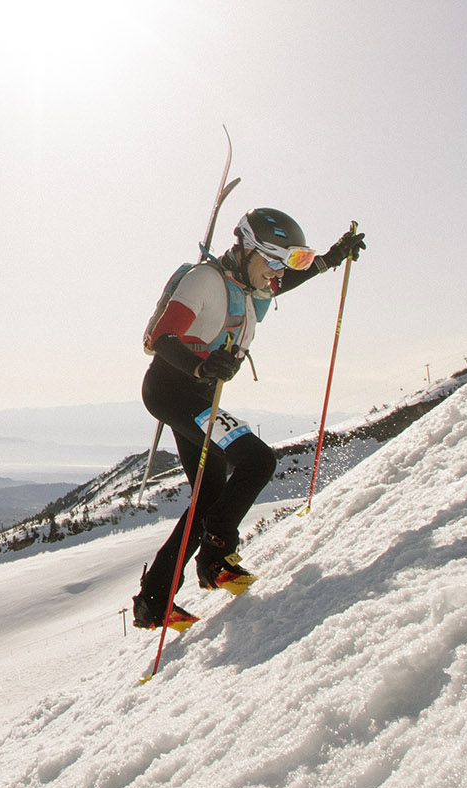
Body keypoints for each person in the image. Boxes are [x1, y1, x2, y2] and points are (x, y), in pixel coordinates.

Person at [131, 208, 364, 631]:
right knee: (257, 461)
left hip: (197, 392)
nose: (277, 274)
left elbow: (285, 285)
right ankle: (216, 556)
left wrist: (330, 258)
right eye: (274, 261)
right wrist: (201, 369)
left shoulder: (251, 286)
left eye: (287, 263)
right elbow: (160, 337)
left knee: (208, 494)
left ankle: (155, 599)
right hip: (173, 389)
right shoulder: (205, 280)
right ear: (245, 250)